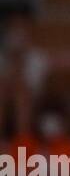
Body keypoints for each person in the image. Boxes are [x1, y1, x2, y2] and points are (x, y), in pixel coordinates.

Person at [0, 12, 48, 140]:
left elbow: (35, 86)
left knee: (21, 95)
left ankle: (22, 139)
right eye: (14, 28)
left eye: (21, 28)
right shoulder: (2, 57)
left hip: (29, 97)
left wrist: (20, 61)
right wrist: (12, 60)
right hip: (6, 96)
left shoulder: (39, 57)